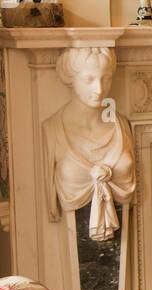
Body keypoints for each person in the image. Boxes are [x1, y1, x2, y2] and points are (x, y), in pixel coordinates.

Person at [42, 47, 135, 240]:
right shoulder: (53, 129)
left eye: (106, 78)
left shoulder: (122, 126)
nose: (100, 89)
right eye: (88, 79)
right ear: (70, 78)